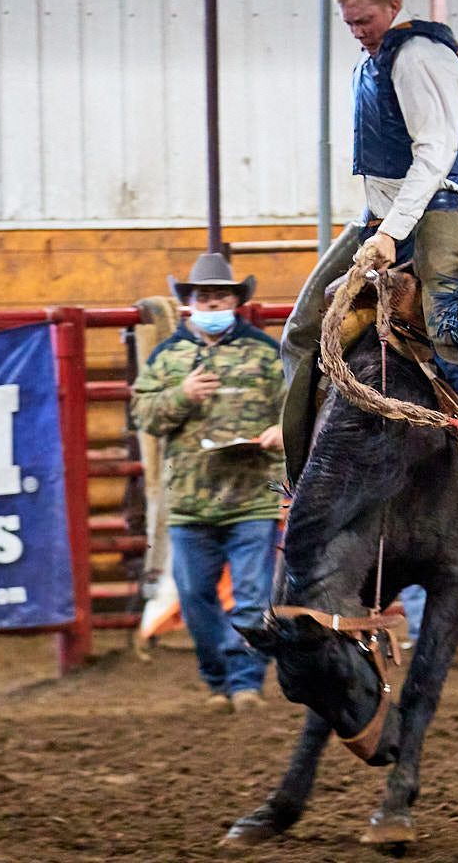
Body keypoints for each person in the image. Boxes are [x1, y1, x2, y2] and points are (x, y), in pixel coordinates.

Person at [278, 0, 458, 542]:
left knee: (449, 330)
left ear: (394, 6)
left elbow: (435, 154)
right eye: (350, 22)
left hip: (434, 209)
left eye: (365, 20)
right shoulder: (383, 50)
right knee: (305, 326)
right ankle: (299, 475)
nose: (357, 32)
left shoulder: (417, 57)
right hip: (382, 212)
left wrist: (389, 235)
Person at [131, 252, 286, 711]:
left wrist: (284, 431)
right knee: (196, 597)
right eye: (205, 297)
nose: (213, 304)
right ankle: (218, 676)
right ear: (190, 302)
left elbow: (295, 408)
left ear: (236, 301)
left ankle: (245, 684)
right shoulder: (167, 357)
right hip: (191, 503)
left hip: (252, 497)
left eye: (221, 297)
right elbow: (143, 414)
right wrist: (181, 395)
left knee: (254, 595)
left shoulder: (264, 352)